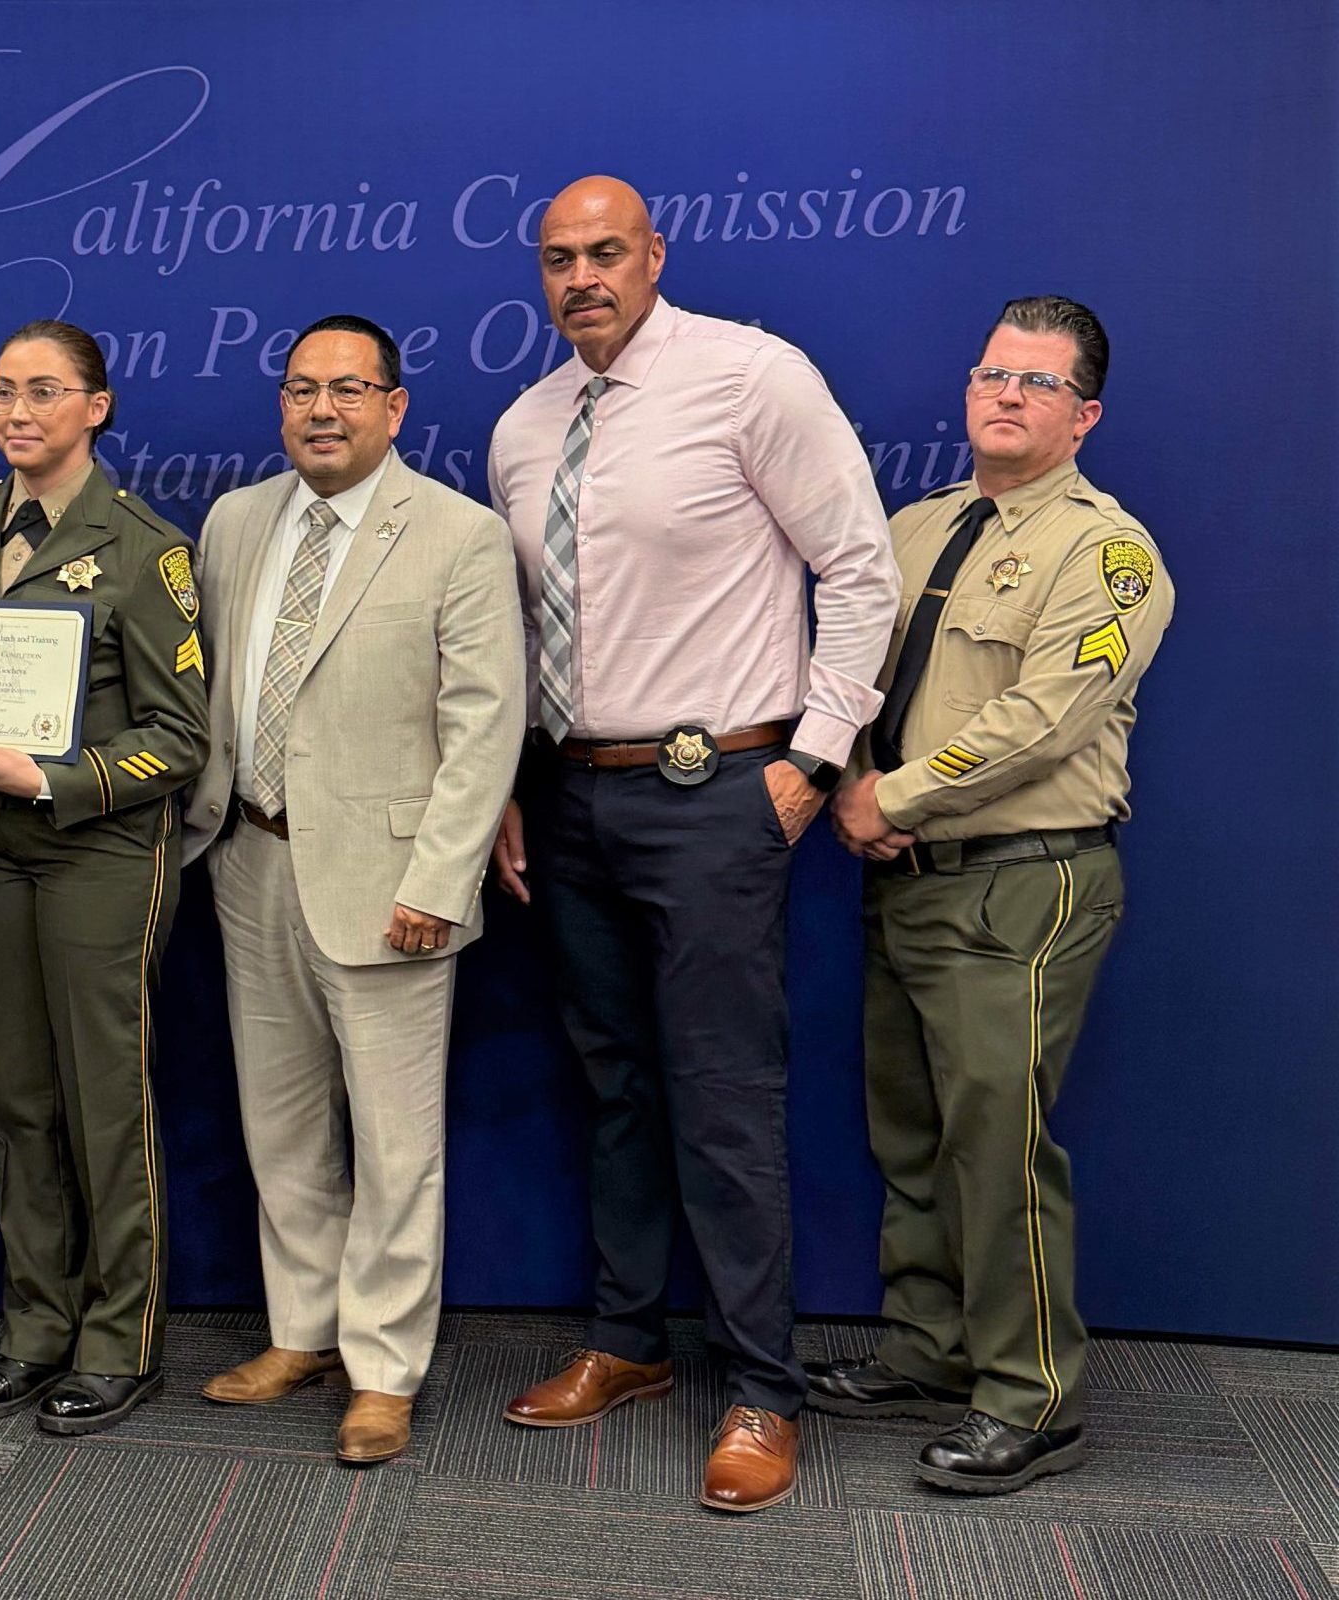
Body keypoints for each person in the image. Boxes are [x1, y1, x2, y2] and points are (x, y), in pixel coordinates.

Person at [485, 176, 899, 1513]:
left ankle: (762, 1390)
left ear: (654, 255)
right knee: (610, 1085)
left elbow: (859, 571)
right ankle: (625, 1342)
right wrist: (507, 787)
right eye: (559, 258)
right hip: (570, 796)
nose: (582, 277)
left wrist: (814, 760)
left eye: (606, 252)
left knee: (725, 1098)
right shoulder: (522, 426)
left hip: (720, 790)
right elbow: (511, 630)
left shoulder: (752, 378)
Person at [813, 296, 1170, 1494]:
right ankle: (930, 1346)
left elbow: (1040, 722)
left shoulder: (1108, 553)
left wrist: (892, 798)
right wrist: (854, 781)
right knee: (911, 1129)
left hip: (1022, 887)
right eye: (990, 374)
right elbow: (854, 673)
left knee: (998, 1143)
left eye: (1036, 383)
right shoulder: (914, 528)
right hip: (909, 878)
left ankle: (1031, 1396)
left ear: (1084, 415)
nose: (1005, 395)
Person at [180, 315, 524, 1465]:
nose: (320, 409)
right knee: (279, 1126)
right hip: (249, 858)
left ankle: (382, 1368)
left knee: (392, 1144)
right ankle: (303, 1330)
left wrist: (441, 874)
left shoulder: (461, 537)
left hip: (390, 883)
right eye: (299, 389)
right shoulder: (233, 523)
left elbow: (484, 725)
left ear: (395, 407)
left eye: (347, 389)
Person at [0, 320, 209, 1436]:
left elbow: (180, 739)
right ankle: (35, 1326)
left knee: (104, 1100)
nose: (16, 411)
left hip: (99, 847)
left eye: (43, 391)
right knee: (15, 1095)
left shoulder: (145, 547)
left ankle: (117, 1339)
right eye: (1, 391)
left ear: (96, 406)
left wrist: (58, 778)